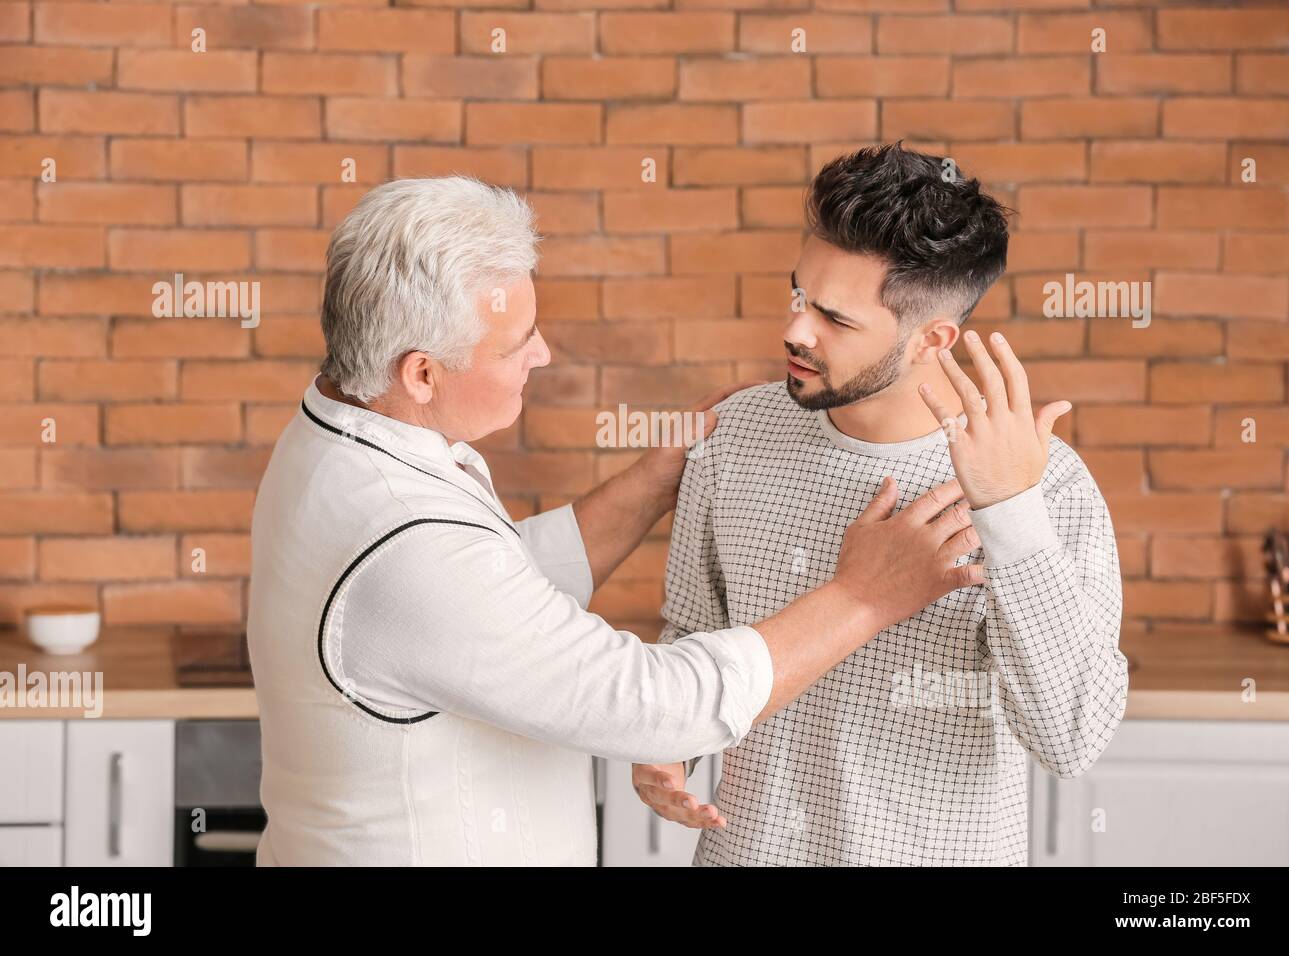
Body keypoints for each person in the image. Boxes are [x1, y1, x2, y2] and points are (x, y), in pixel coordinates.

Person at [245, 175, 984, 865]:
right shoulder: (408, 539)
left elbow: (494, 586)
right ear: (422, 373)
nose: (542, 353)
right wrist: (864, 597)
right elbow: (659, 705)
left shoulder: (335, 428)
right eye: (514, 343)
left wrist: (653, 481)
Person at [632, 144, 1128, 866]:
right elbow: (695, 632)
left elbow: (1073, 740)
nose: (796, 330)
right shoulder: (736, 433)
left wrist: (1009, 511)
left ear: (934, 338)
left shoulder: (1044, 486)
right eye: (799, 295)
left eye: (835, 317)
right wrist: (666, 749)